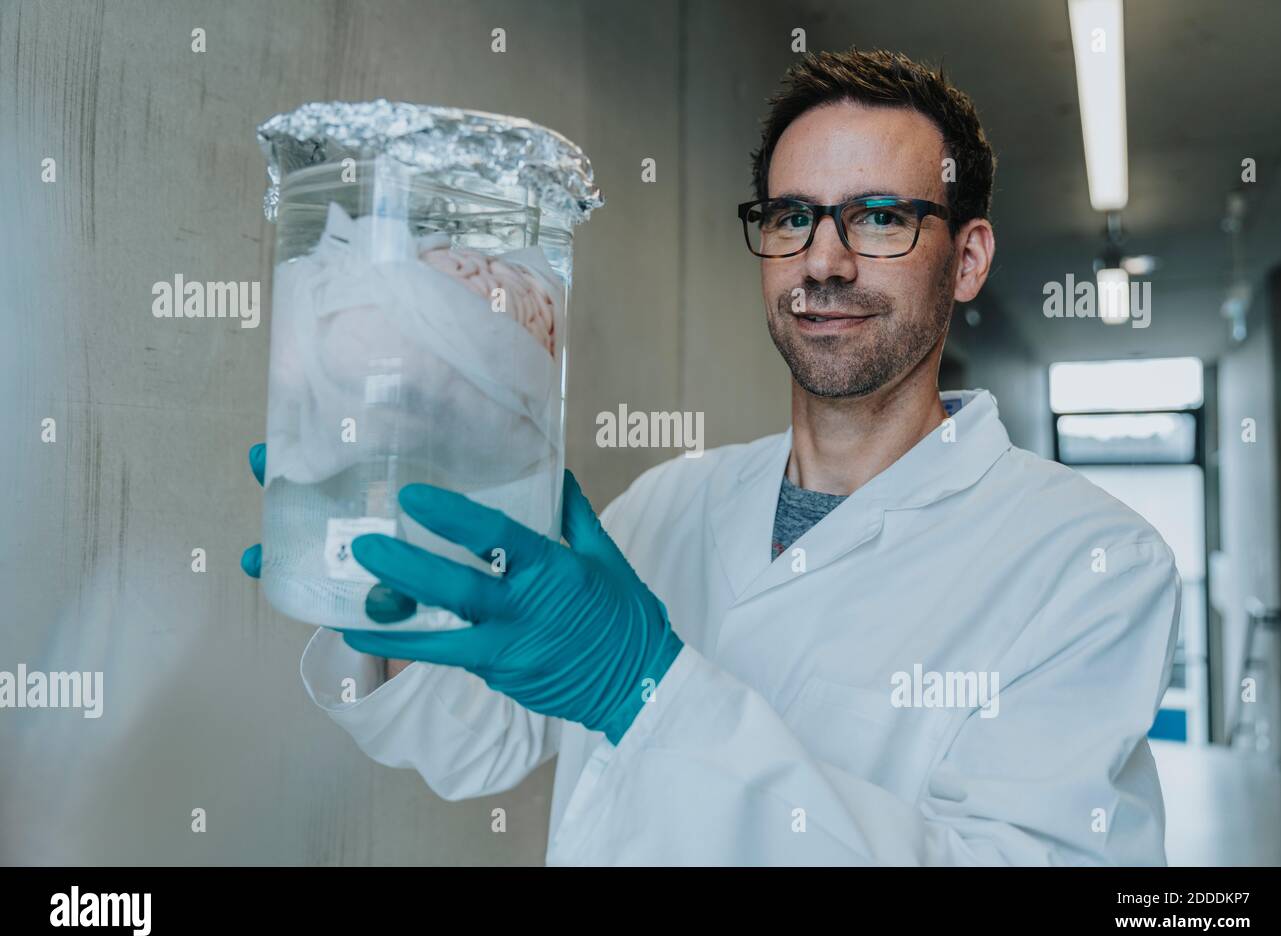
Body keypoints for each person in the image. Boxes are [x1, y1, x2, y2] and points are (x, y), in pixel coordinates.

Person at [242, 49, 1181, 865]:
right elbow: (482, 745)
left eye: (882, 218)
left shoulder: (1090, 564)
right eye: (791, 218)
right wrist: (388, 595)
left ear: (967, 258)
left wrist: (647, 689)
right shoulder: (671, 500)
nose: (824, 261)